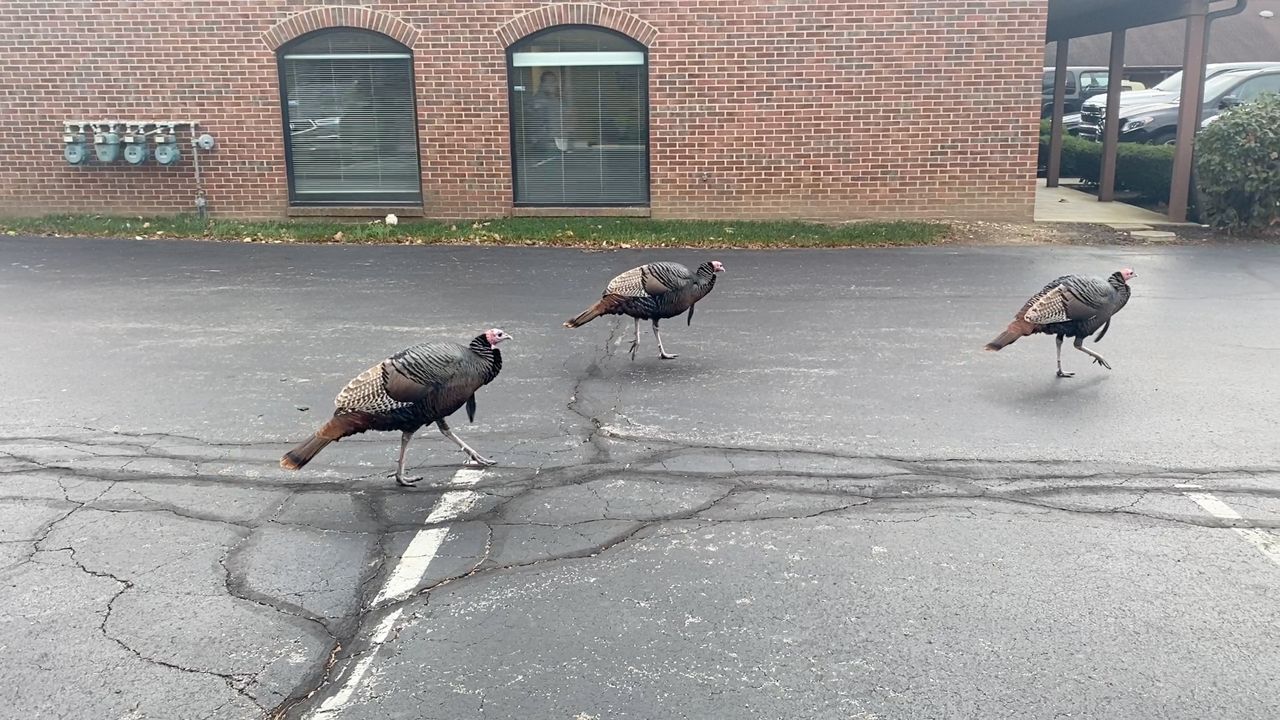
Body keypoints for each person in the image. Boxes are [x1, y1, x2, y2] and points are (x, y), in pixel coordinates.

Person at [528, 70, 565, 160]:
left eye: (554, 81)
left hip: (556, 142)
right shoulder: (538, 101)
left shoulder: (556, 100)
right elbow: (535, 122)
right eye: (550, 82)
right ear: (543, 84)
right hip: (544, 142)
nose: (554, 85)